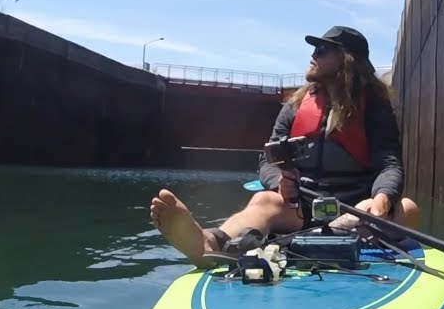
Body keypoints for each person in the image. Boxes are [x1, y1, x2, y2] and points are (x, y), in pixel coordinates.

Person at [149, 25, 420, 268]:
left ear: (346, 60)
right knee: (264, 200)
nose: (313, 55)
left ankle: (335, 237)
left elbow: (389, 163)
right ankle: (210, 244)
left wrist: (383, 196)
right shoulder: (295, 106)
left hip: (354, 208)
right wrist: (279, 182)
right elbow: (267, 161)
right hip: (300, 209)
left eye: (322, 50)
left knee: (406, 208)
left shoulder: (374, 106)